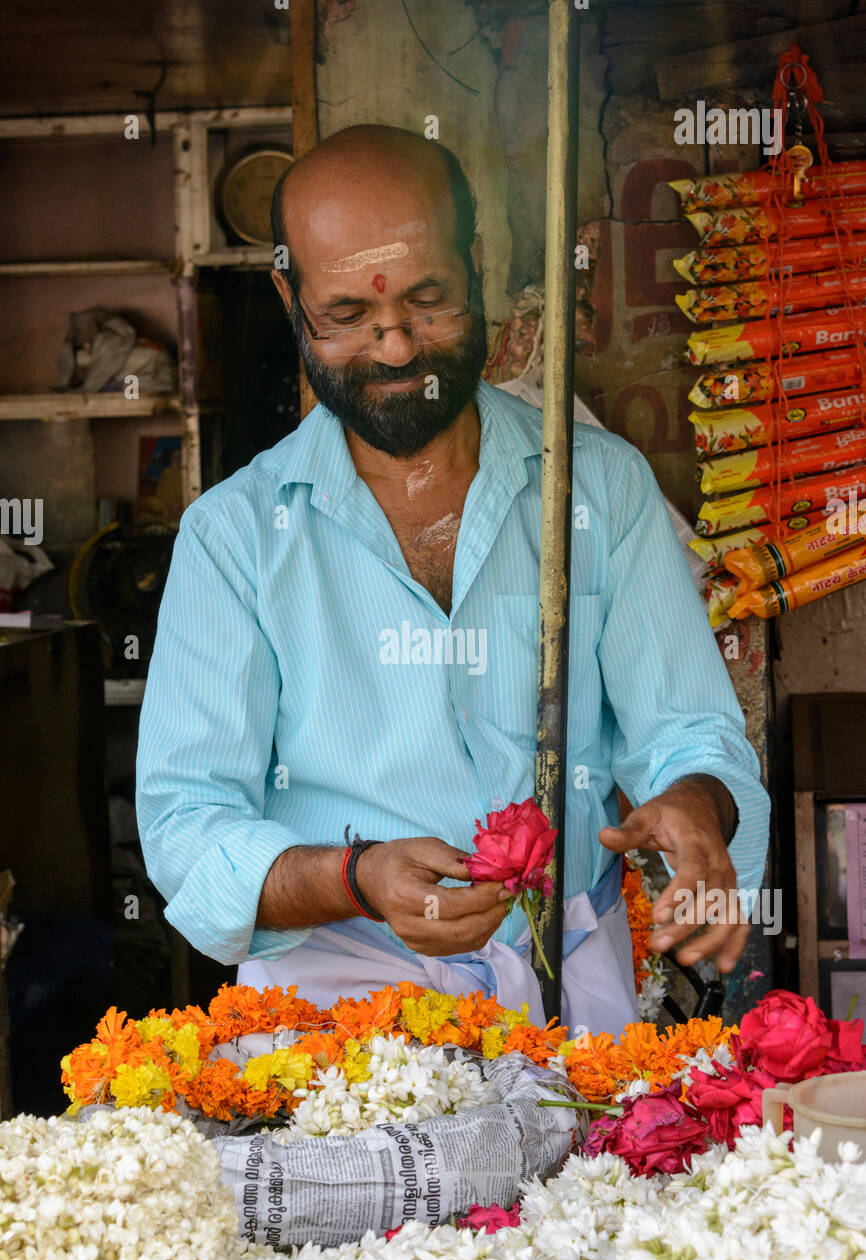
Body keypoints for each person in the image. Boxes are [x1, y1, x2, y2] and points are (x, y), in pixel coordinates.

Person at [136, 124, 769, 1035]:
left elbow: (687, 731)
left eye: (428, 301)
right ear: (288, 295)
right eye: (348, 314)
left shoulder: (597, 486)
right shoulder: (234, 536)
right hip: (337, 1026)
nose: (396, 350)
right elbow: (187, 825)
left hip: (570, 1003)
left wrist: (696, 804)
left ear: (476, 265)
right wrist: (353, 877)